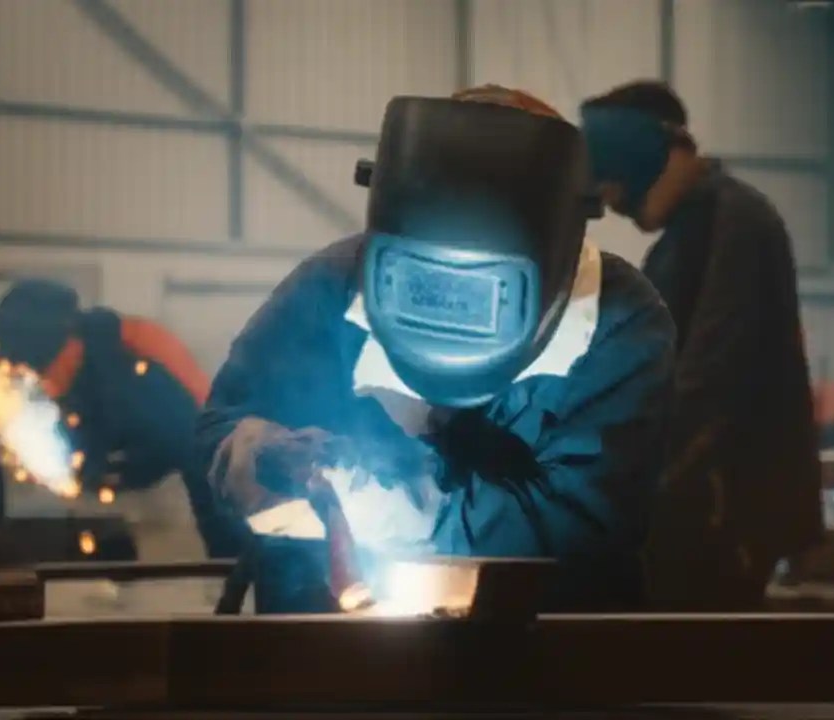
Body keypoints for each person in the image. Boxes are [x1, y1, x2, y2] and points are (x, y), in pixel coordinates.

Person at [198, 85, 675, 613]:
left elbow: (576, 527)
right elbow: (223, 424)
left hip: (540, 639)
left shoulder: (619, 319)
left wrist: (373, 504)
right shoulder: (332, 283)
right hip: (330, 634)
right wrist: (249, 455)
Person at [580, 80, 823, 610]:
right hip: (702, 506)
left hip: (723, 512)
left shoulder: (733, 223)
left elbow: (710, 376)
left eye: (614, 178)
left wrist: (633, 481)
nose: (612, 200)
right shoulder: (688, 236)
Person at [0, 279, 242, 558]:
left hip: (175, 500)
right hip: (111, 504)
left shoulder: (143, 363)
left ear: (70, 343)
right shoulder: (45, 381)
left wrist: (225, 558)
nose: (44, 383)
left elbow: (205, 452)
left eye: (44, 369)